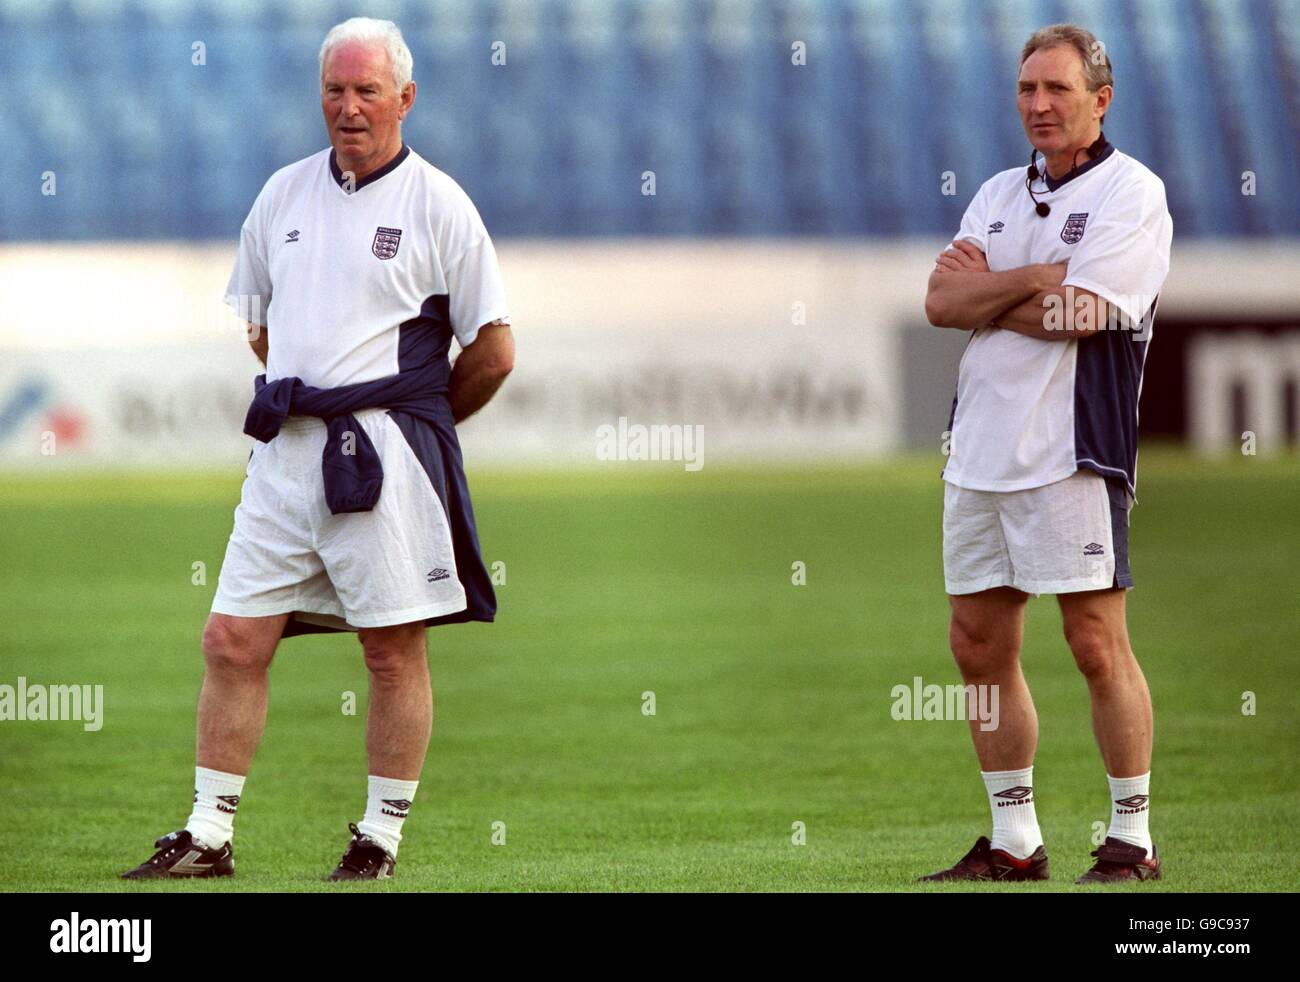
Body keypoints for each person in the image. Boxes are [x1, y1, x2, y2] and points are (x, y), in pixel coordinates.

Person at [122, 17, 515, 881]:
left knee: (391, 648)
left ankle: (379, 838)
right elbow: (263, 329)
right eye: (334, 90)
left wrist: (416, 422)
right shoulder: (282, 196)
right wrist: (317, 395)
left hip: (388, 458)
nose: (349, 107)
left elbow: (494, 349)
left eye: (367, 90)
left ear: (405, 98)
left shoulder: (439, 204)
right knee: (231, 639)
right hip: (287, 453)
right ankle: (209, 834)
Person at [920, 24, 1171, 884]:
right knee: (975, 643)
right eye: (1027, 89)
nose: (1039, 105)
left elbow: (1090, 314)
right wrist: (1034, 280)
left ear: (1101, 100)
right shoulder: (995, 192)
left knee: (1096, 641)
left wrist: (989, 292)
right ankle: (1014, 841)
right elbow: (940, 304)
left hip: (1074, 448)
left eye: (1058, 90)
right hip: (978, 450)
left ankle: (1132, 838)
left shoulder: (1132, 194)